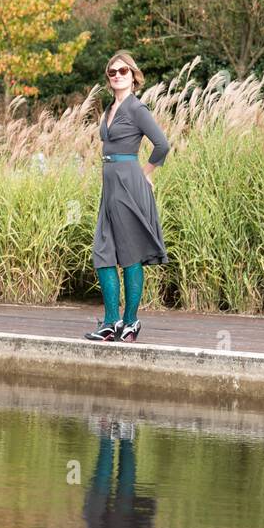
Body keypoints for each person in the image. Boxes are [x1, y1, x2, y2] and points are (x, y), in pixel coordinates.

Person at [85, 51, 171, 342]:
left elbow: (161, 145)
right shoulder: (109, 109)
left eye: (123, 71)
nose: (117, 75)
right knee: (104, 252)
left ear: (133, 76)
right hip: (109, 183)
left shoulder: (137, 109)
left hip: (129, 181)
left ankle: (130, 322)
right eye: (112, 72)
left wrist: (146, 174)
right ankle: (111, 322)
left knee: (130, 252)